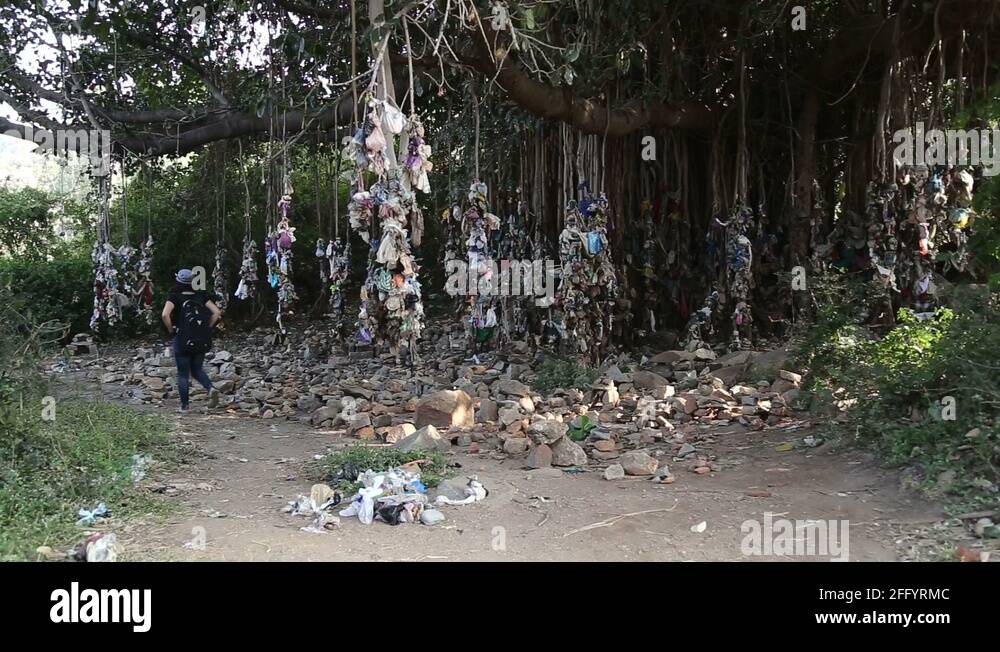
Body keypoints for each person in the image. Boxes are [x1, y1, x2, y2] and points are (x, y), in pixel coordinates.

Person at [161, 269, 222, 412]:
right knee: (197, 369)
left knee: (183, 373)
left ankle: (185, 406)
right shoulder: (201, 296)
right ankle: (210, 388)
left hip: (182, 338)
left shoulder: (174, 297)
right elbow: (217, 312)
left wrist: (171, 330)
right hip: (201, 338)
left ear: (178, 281)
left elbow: (165, 315)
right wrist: (207, 327)